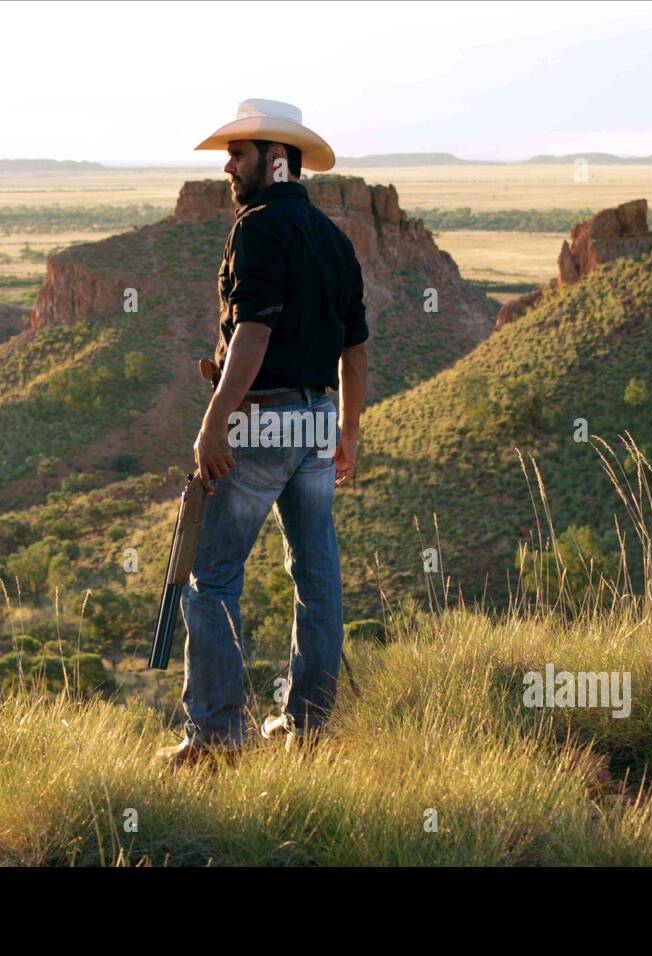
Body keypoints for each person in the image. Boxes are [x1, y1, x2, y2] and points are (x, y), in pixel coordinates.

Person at [158, 99, 369, 767]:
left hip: (259, 422)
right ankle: (307, 729)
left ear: (276, 159)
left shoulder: (256, 227)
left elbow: (254, 330)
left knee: (213, 579)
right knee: (318, 579)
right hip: (316, 423)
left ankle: (215, 740)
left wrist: (213, 421)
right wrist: (349, 433)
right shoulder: (335, 239)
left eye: (239, 154)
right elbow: (355, 348)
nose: (228, 166)